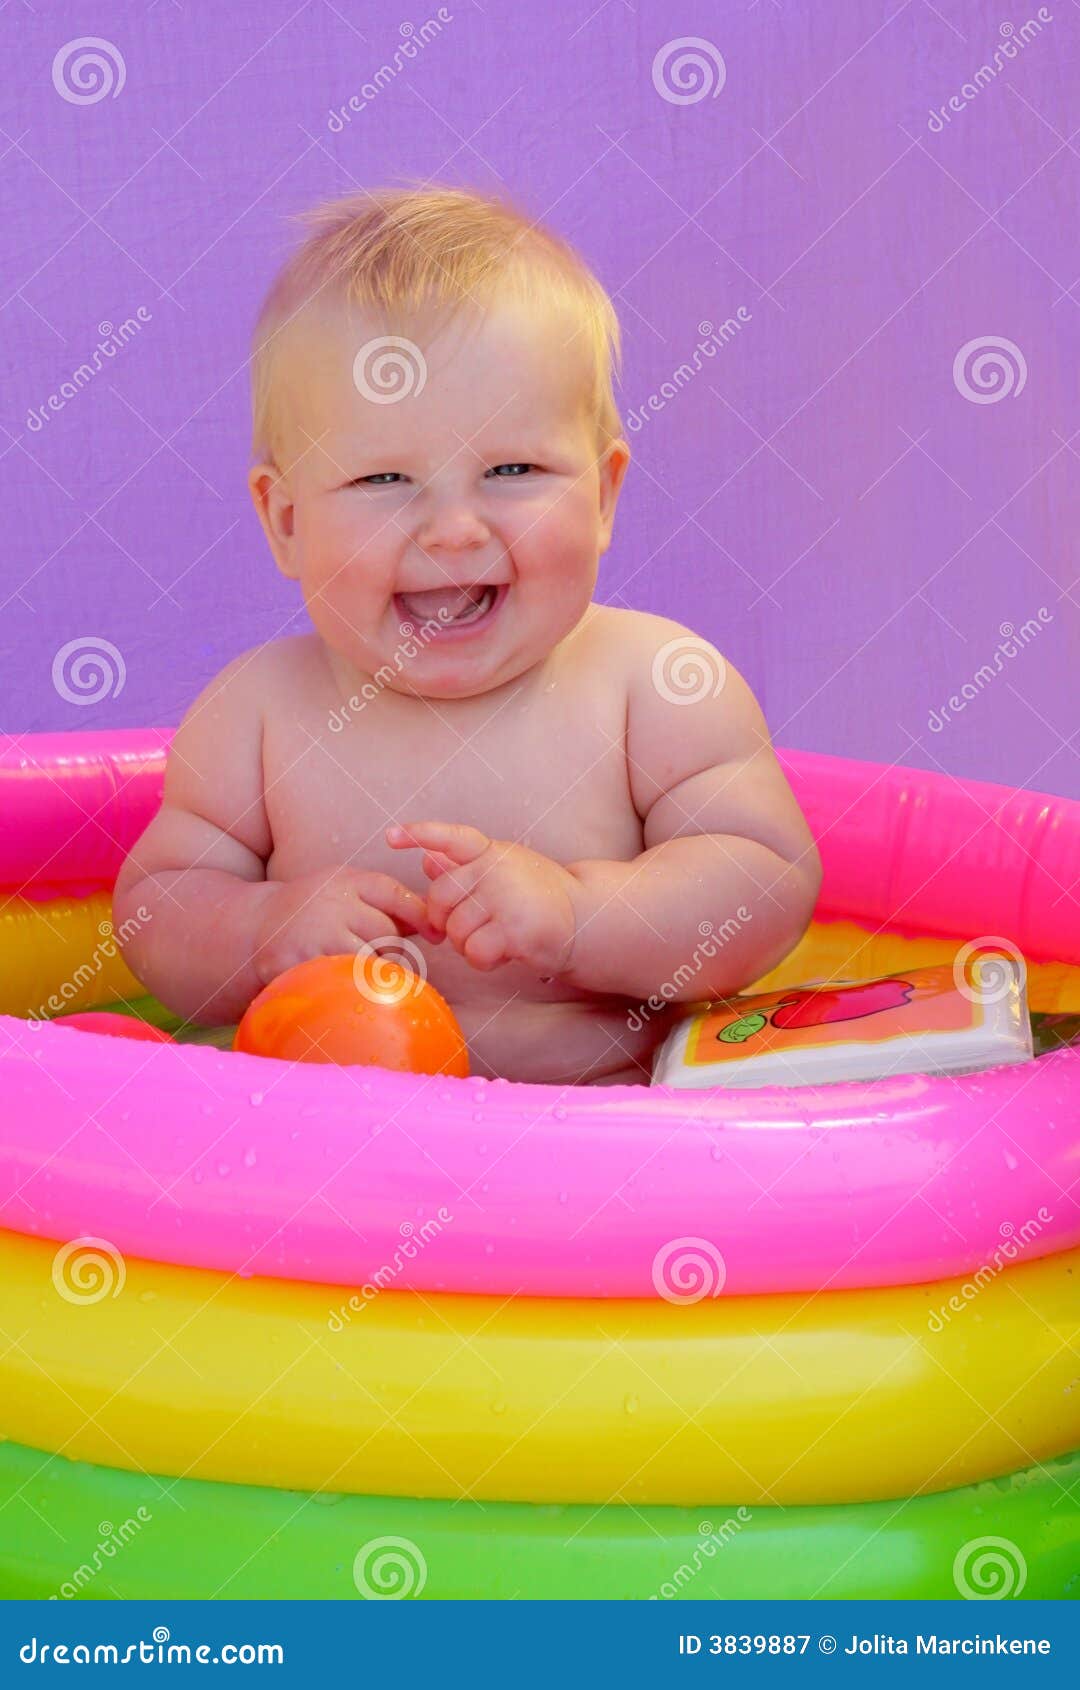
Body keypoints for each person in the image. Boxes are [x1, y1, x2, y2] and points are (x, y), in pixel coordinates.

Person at [114, 184, 821, 1086]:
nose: (452, 529)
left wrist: (580, 915)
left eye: (513, 469)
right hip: (325, 1141)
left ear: (604, 493)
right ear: (285, 521)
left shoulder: (655, 688)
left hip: (602, 1129)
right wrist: (260, 931)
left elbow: (765, 887)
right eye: (382, 480)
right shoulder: (256, 713)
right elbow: (152, 912)